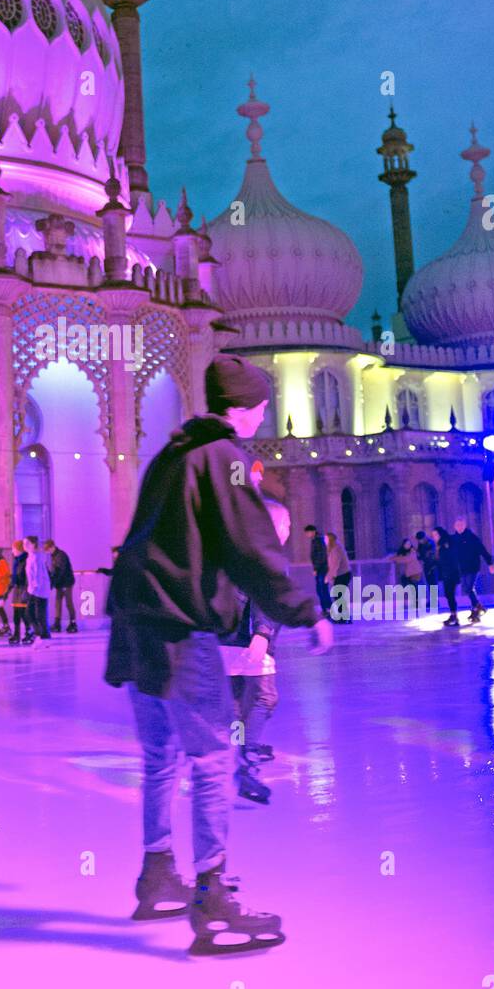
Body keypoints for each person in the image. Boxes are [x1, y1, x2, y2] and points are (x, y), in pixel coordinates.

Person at [105, 353, 332, 956]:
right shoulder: (226, 460)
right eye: (262, 405)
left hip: (134, 623)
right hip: (179, 626)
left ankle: (157, 876)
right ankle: (214, 899)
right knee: (211, 757)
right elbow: (250, 546)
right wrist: (304, 610)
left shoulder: (172, 453)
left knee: (160, 754)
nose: (264, 415)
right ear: (247, 405)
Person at [223, 496, 292, 804]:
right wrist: (262, 633)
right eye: (287, 523)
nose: (289, 529)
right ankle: (246, 759)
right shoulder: (268, 554)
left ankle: (241, 751)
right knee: (266, 697)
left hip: (223, 639)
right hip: (248, 639)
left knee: (238, 703)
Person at [449, 517, 494, 622]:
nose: (459, 527)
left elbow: (482, 549)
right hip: (462, 568)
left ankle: (476, 608)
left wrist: (490, 563)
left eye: (461, 525)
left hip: (473, 567)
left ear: (465, 525)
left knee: (469, 588)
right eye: (457, 525)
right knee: (466, 588)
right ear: (454, 526)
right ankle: (477, 607)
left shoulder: (471, 537)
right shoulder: (453, 539)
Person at [430, 526, 462, 626]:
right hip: (446, 573)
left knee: (450, 594)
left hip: (451, 573)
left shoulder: (445, 544)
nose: (434, 537)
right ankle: (453, 615)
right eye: (433, 535)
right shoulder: (440, 545)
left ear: (440, 534)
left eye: (436, 535)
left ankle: (454, 616)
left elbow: (449, 559)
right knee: (449, 595)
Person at [44, 539, 77, 633]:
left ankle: (73, 622)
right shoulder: (54, 556)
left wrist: (53, 583)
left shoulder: (61, 555)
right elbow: (56, 572)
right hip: (60, 583)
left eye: (48, 549)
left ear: (52, 546)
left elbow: (61, 572)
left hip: (66, 583)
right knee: (57, 603)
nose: (48, 552)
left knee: (68, 603)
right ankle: (57, 623)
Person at [24, 536, 52, 643]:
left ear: (33, 544)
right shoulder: (31, 557)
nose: (25, 546)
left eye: (27, 543)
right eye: (23, 544)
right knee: (31, 613)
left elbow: (38, 575)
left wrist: (35, 587)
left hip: (38, 590)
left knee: (38, 613)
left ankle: (43, 634)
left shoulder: (36, 557)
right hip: (34, 589)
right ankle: (40, 633)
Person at [304, 525, 332, 614]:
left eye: (307, 533)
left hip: (322, 569)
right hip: (321, 569)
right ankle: (326, 608)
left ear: (312, 532)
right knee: (321, 589)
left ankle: (327, 608)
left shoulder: (318, 540)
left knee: (322, 589)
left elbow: (321, 556)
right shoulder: (316, 540)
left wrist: (316, 568)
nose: (307, 535)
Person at [8, 540, 32, 645]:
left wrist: (26, 591)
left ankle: (29, 632)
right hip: (17, 590)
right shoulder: (16, 561)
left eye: (13, 549)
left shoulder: (26, 560)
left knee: (24, 614)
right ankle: (16, 634)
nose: (12, 551)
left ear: (19, 549)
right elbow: (14, 576)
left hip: (23, 590)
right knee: (16, 614)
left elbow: (28, 577)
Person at [326, 531, 353, 622]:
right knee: (339, 596)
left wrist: (329, 577)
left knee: (338, 596)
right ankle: (344, 617)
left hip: (343, 575)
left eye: (326, 539)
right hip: (341, 575)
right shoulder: (333, 548)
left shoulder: (336, 549)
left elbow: (335, 565)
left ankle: (343, 617)